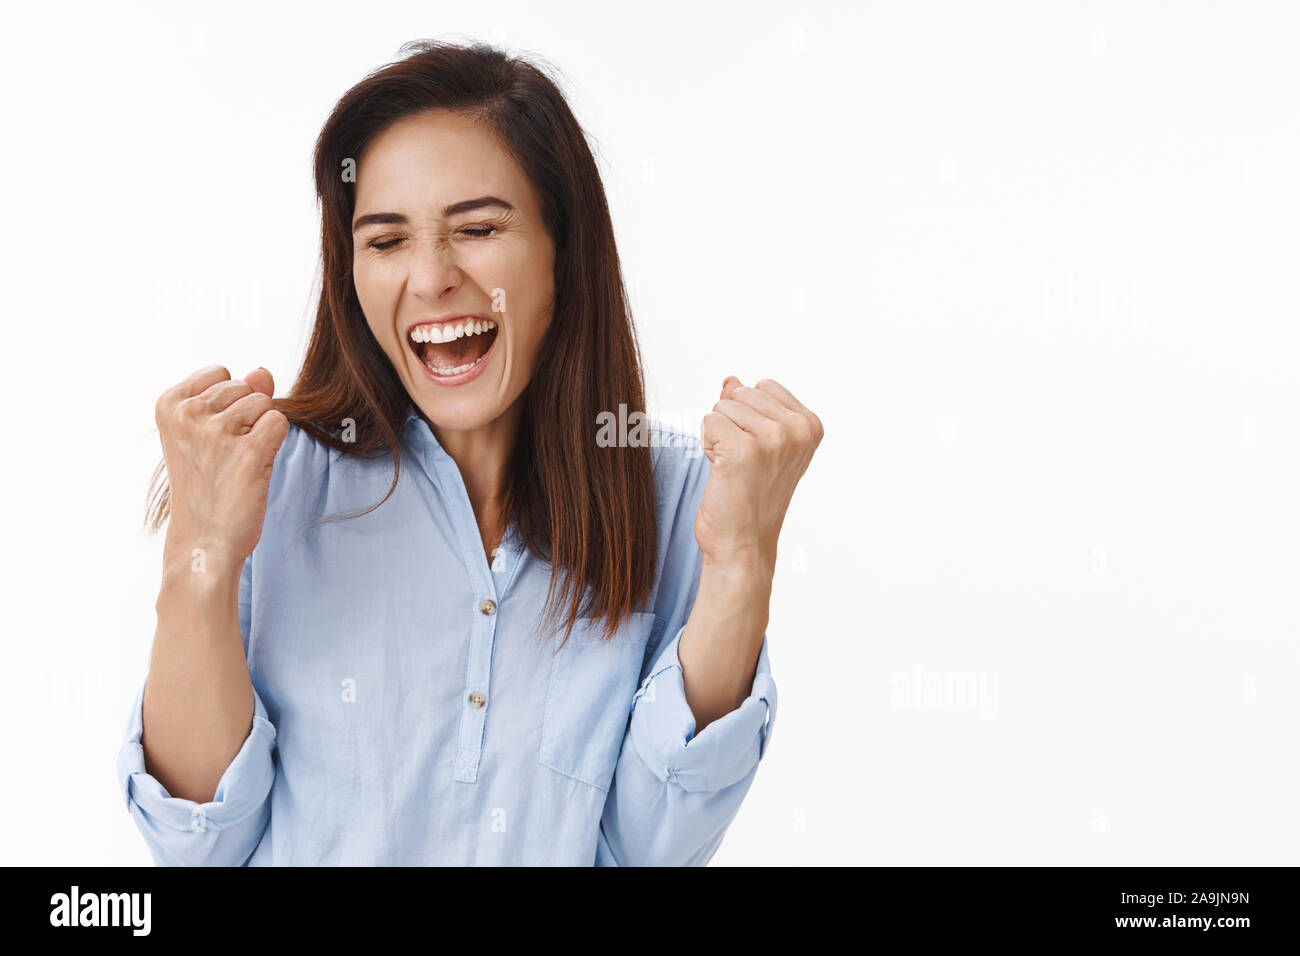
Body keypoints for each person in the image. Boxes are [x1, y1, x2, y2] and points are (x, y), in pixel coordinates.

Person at [117, 39, 822, 865]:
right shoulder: (267, 481)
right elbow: (198, 842)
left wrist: (740, 562)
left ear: (564, 252)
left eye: (478, 228)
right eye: (385, 241)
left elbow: (653, 848)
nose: (431, 277)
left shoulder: (683, 504)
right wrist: (198, 560)